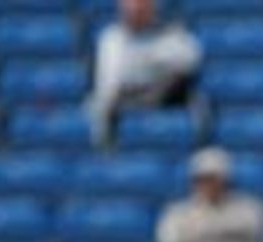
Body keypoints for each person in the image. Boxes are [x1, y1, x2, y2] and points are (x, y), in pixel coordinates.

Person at [87, 0, 204, 147]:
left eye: (142, 5)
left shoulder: (173, 36)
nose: (135, 11)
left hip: (167, 105)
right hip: (124, 109)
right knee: (95, 107)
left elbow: (188, 67)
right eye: (130, 7)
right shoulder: (111, 39)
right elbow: (108, 89)